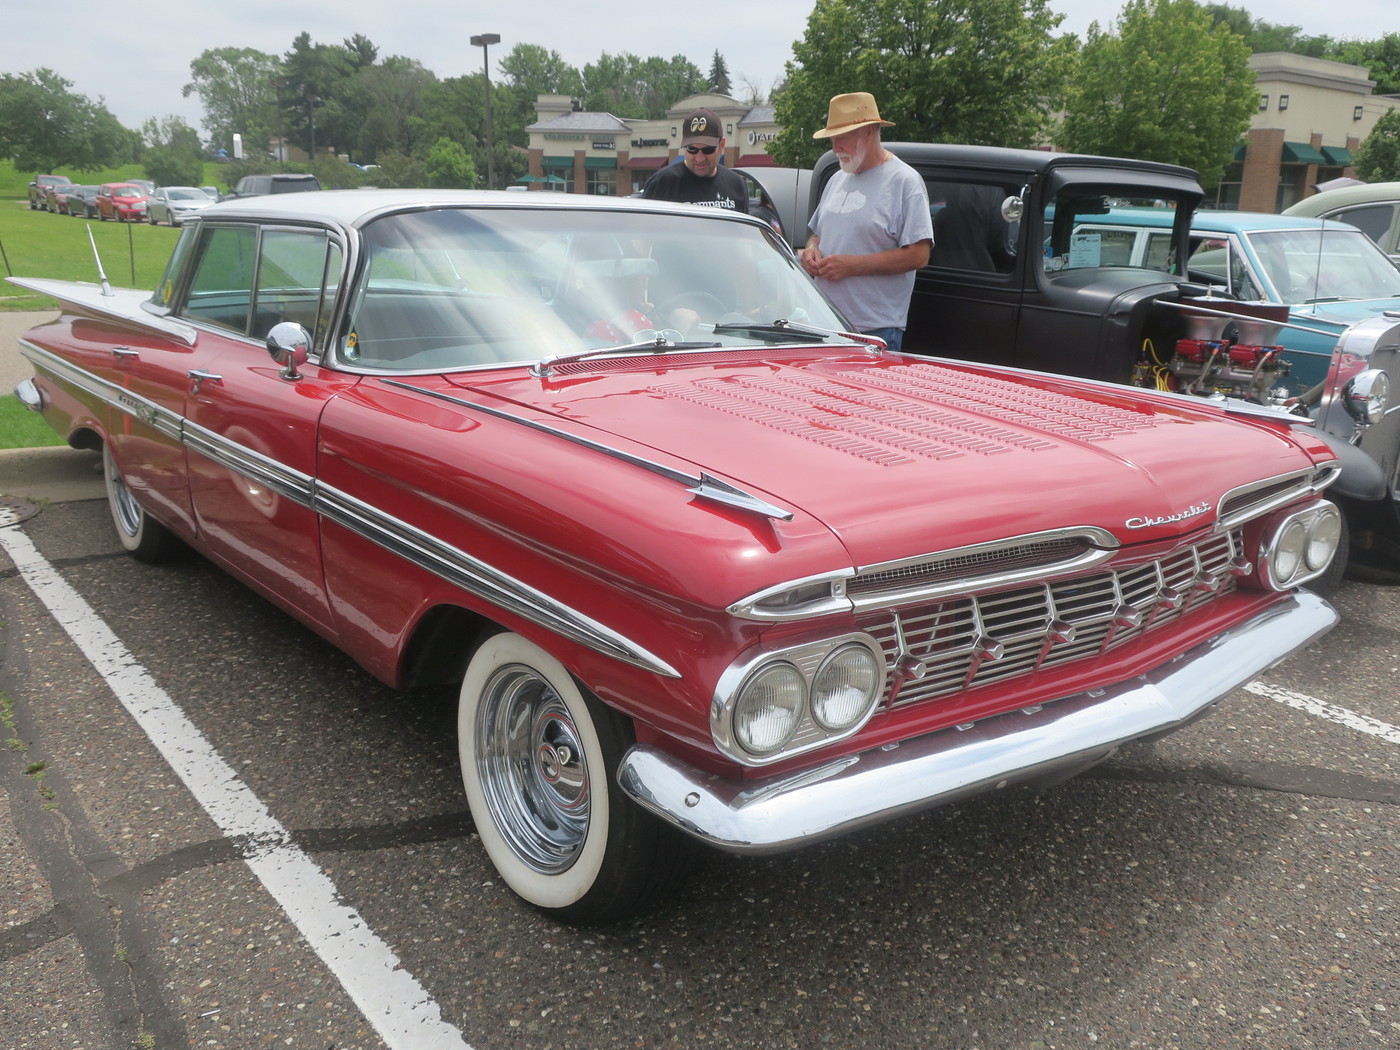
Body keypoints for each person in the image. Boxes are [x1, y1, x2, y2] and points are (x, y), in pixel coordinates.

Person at [800, 92, 932, 350]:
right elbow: (817, 234)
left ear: (870, 132)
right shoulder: (836, 178)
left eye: (843, 138)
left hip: (874, 331)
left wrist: (852, 266)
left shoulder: (905, 182)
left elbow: (919, 255)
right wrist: (811, 251)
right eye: (833, 139)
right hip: (825, 323)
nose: (835, 147)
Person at [642, 108, 749, 213]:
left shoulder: (736, 185)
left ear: (722, 145)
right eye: (692, 149)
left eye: (708, 150)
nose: (699, 158)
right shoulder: (662, 183)